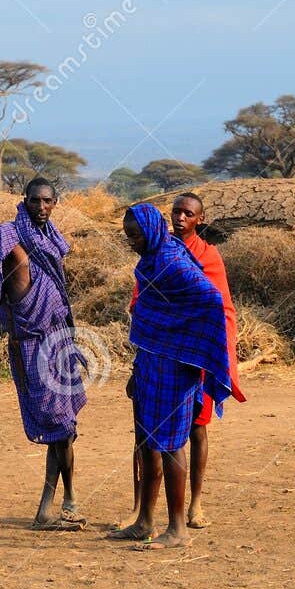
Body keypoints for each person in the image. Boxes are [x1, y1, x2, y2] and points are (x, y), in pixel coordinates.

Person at [0, 177, 86, 530]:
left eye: (48, 201)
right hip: (30, 344)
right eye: (35, 201)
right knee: (59, 424)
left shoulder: (52, 239)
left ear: (55, 203)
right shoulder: (8, 234)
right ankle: (50, 508)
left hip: (58, 338)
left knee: (66, 427)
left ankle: (66, 500)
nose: (41, 207)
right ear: (25, 200)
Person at [109, 202, 232, 549]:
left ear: (149, 231)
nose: (131, 242)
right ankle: (144, 522)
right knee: (148, 443)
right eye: (128, 236)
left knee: (172, 444)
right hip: (150, 363)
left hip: (174, 368)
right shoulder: (152, 259)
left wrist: (189, 346)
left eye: (135, 236)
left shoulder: (170, 261)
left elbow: (211, 299)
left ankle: (177, 528)